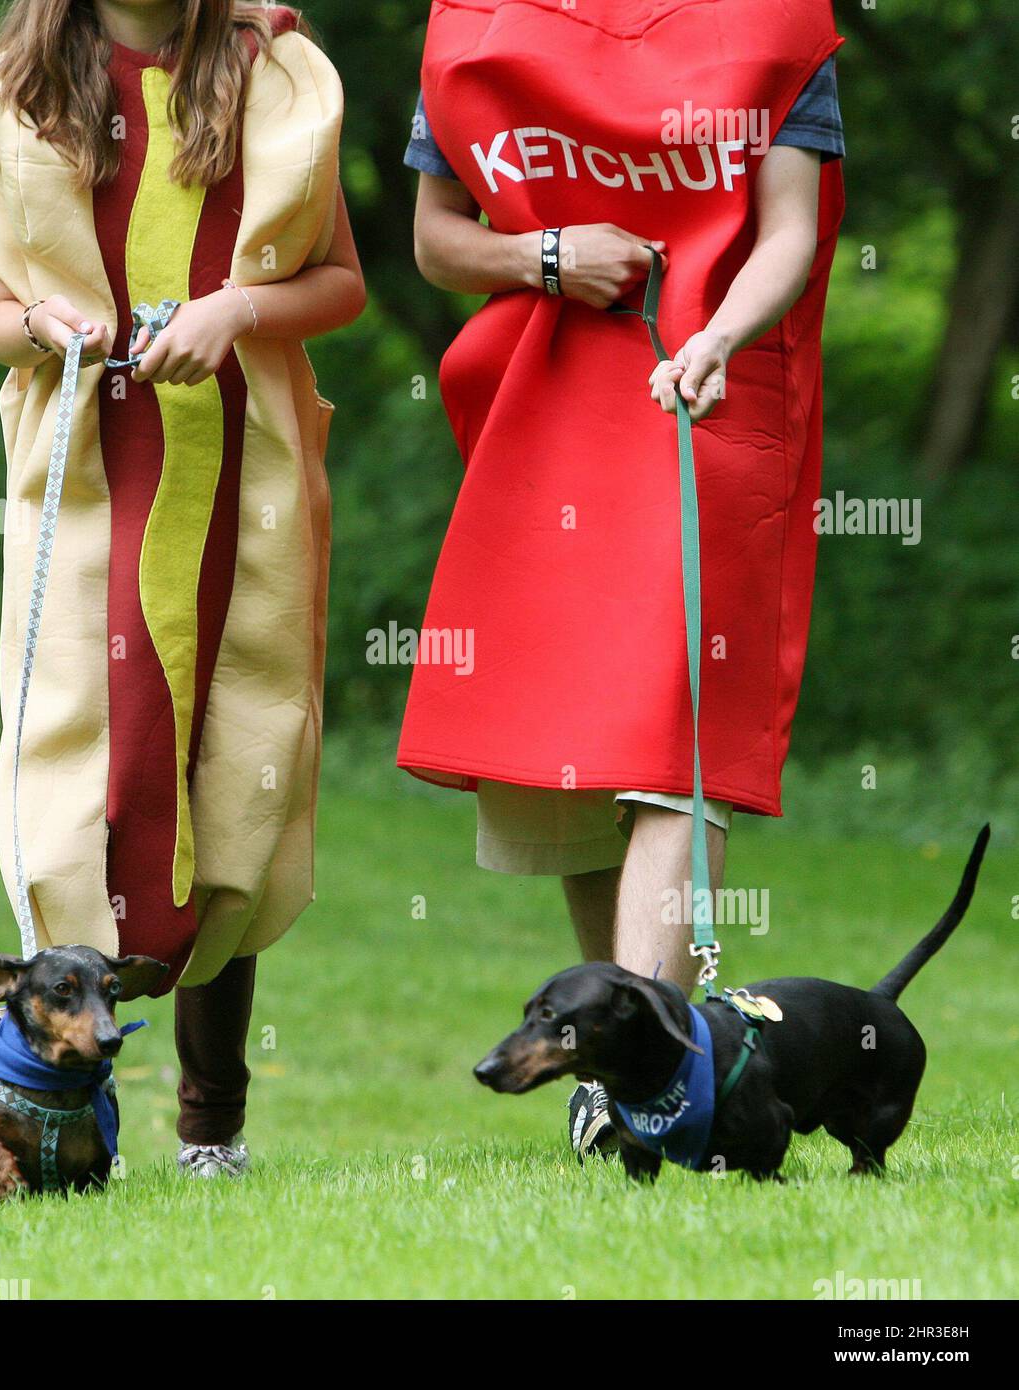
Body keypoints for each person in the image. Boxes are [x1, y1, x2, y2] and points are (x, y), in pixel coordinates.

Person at [397, 0, 845, 1158]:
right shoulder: (478, 34)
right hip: (540, 417)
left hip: (708, 399)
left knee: (673, 745)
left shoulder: (773, 29)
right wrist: (544, 254)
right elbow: (437, 240)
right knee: (574, 757)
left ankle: (642, 1081)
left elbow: (787, 232)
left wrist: (720, 334)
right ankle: (640, 1062)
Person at [0, 0, 364, 1178]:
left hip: (241, 473)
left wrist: (236, 310)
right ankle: (50, 1114)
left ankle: (212, 1125)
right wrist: (43, 322)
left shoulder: (273, 69)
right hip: (89, 480)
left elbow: (339, 283)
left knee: (225, 776)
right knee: (90, 778)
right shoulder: (23, 80)